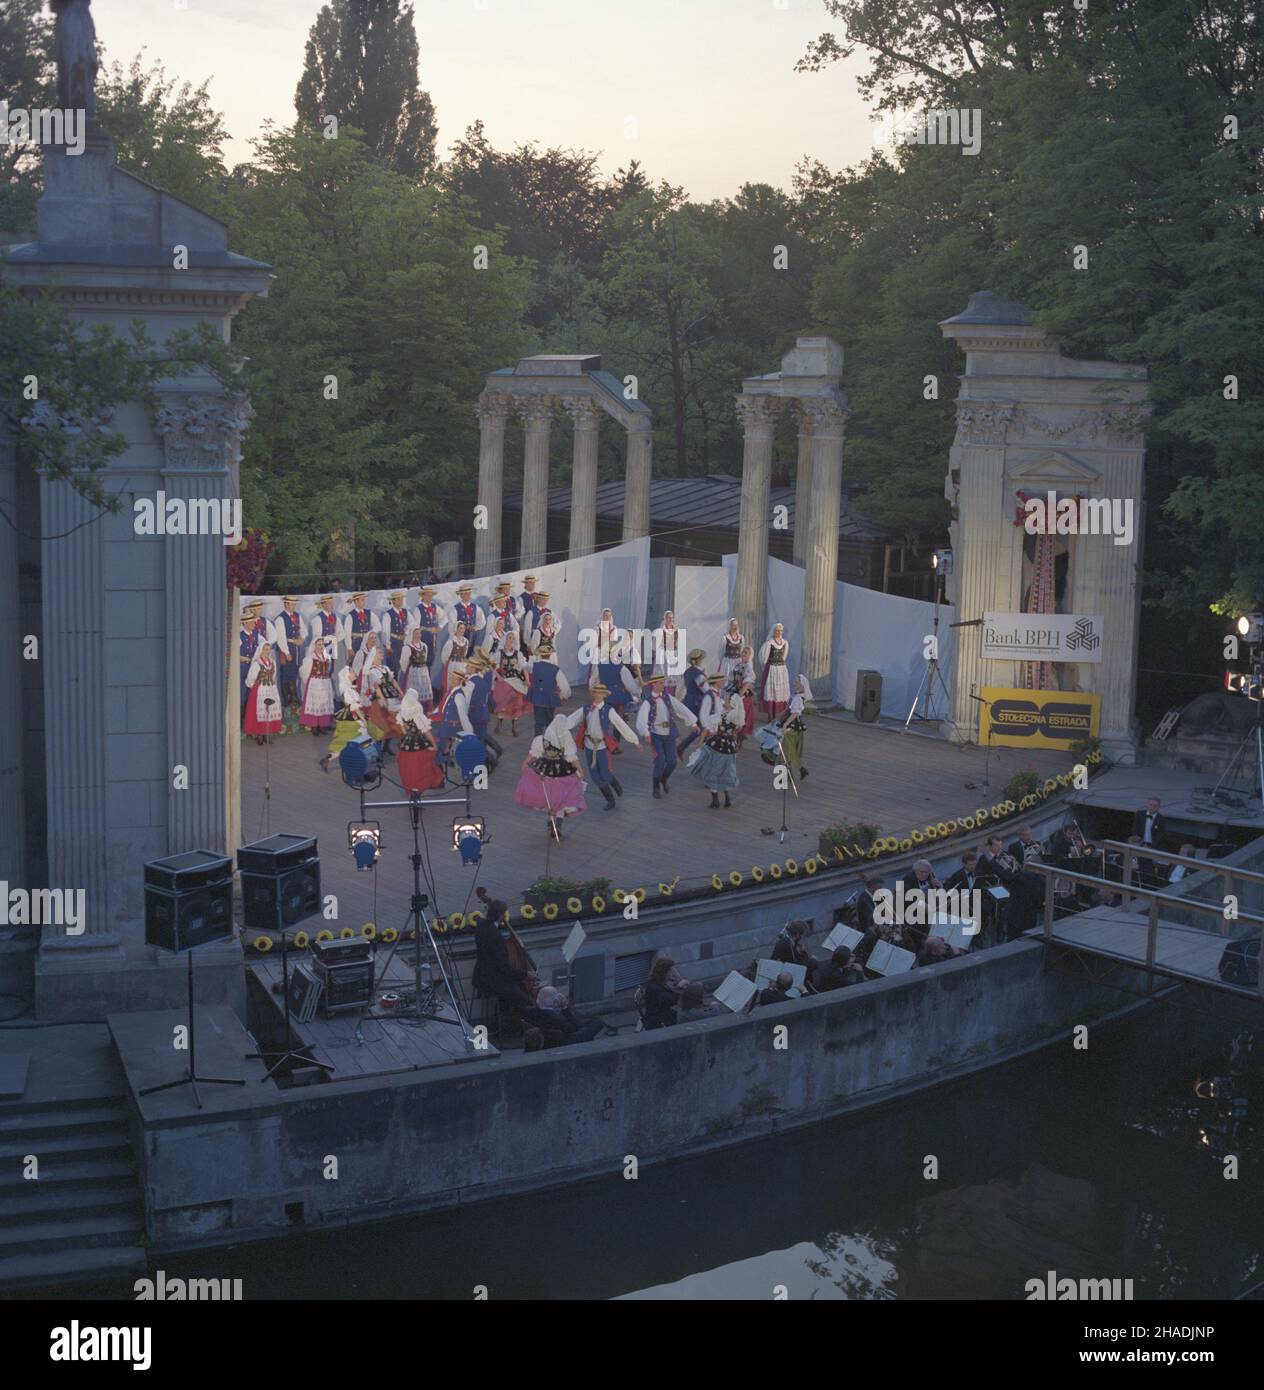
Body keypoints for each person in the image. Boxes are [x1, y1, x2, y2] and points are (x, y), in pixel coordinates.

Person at [566, 683, 641, 811]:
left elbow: (620, 724)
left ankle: (614, 782)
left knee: (605, 774)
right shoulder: (586, 709)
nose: (598, 695)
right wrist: (558, 729)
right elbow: (570, 720)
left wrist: (634, 740)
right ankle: (610, 800)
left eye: (601, 693)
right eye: (596, 692)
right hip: (590, 746)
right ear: (593, 694)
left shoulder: (608, 710)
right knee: (595, 777)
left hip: (602, 746)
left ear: (604, 695)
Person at [516, 713, 588, 837]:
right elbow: (571, 757)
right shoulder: (566, 737)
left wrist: (525, 763)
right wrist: (580, 769)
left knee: (550, 798)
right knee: (562, 799)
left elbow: (534, 754)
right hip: (564, 771)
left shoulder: (542, 738)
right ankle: (557, 825)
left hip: (546, 771)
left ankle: (551, 822)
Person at [635, 672, 697, 798]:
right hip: (656, 735)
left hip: (669, 735)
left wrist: (693, 722)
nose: (664, 685)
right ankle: (655, 787)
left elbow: (681, 709)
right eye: (661, 683)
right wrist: (645, 733)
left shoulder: (668, 698)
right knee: (660, 761)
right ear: (653, 685)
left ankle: (664, 779)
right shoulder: (648, 701)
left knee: (672, 762)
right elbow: (641, 719)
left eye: (663, 683)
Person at [686, 674, 742, 809]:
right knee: (725, 770)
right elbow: (705, 717)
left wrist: (706, 737)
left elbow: (712, 721)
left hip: (718, 744)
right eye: (722, 680)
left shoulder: (722, 712)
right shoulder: (712, 699)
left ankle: (717, 799)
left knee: (713, 770)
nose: (724, 682)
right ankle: (726, 798)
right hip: (727, 745)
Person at [471, 899, 536, 1012]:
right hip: (493, 979)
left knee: (508, 997)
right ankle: (512, 1025)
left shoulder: (481, 925)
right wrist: (525, 974)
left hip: (480, 976)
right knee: (526, 1002)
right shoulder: (496, 936)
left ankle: (504, 1020)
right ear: (501, 915)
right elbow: (504, 966)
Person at [464, 648, 503, 770]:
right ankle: (493, 754)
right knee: (481, 736)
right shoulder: (482, 676)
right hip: (482, 712)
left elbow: (475, 698)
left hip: (477, 713)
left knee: (477, 740)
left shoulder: (478, 678)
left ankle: (488, 761)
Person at [527, 986, 603, 1046]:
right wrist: (565, 1008)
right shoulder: (555, 1017)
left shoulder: (535, 1011)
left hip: (552, 1036)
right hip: (565, 1040)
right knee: (597, 1023)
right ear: (554, 1001)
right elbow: (575, 1027)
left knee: (590, 1021)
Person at [528, 638, 572, 735]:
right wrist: (564, 695)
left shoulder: (534, 666)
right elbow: (565, 687)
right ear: (550, 654)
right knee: (549, 721)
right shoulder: (555, 669)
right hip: (549, 698)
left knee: (538, 722)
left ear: (540, 653)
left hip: (538, 698)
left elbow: (525, 666)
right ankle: (549, 741)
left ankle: (537, 742)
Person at [270, 596, 306, 708]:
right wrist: (286, 652)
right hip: (285, 648)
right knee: (286, 674)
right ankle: (286, 700)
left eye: (294, 604)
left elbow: (304, 630)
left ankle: (294, 698)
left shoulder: (297, 616)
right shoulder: (280, 618)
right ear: (285, 604)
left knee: (294, 672)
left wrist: (302, 638)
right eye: (291, 604)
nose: (293, 606)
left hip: (296, 647)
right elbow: (281, 637)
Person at [243, 641, 283, 742]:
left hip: (270, 688)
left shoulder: (272, 662)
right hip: (260, 689)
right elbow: (251, 678)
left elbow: (273, 676)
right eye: (265, 649)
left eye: (269, 649)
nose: (267, 652)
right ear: (261, 650)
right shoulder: (257, 663)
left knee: (269, 711)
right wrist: (253, 685)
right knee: (260, 711)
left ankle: (266, 734)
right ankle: (259, 734)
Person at [774, 674, 812, 779]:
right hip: (792, 724)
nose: (795, 683)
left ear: (802, 685)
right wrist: (780, 717)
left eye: (797, 682)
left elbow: (795, 713)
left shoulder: (799, 698)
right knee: (788, 750)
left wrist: (785, 724)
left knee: (787, 749)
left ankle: (785, 776)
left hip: (792, 726)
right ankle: (796, 771)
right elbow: (789, 710)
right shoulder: (796, 696)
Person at [676, 649, 709, 758]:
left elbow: (680, 687)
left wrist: (679, 699)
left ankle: (688, 746)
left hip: (690, 701)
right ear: (700, 660)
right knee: (703, 726)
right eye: (703, 659)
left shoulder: (688, 672)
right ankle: (687, 746)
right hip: (699, 702)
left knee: (703, 726)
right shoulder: (699, 675)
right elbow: (706, 690)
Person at [299, 637, 336, 733]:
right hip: (314, 683)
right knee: (315, 704)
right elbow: (303, 671)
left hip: (325, 683)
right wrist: (308, 680)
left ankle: (322, 726)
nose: (321, 646)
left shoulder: (327, 657)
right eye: (319, 644)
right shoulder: (310, 658)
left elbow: (328, 669)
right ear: (314, 646)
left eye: (322, 644)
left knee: (323, 704)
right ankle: (314, 726)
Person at [758, 623, 791, 719]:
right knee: (771, 691)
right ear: (773, 631)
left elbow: (784, 656)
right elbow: (762, 657)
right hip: (771, 669)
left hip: (781, 669)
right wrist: (765, 667)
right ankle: (770, 714)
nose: (779, 632)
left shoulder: (785, 643)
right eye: (777, 630)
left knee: (779, 692)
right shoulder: (769, 643)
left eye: (781, 630)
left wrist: (780, 666)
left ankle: (778, 713)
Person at [400, 622, 435, 712]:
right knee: (414, 691)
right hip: (413, 672)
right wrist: (408, 672)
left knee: (424, 689)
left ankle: (425, 710)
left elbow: (425, 658)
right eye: (416, 634)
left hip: (423, 672)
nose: (418, 635)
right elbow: (403, 662)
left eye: (419, 633)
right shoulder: (407, 648)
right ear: (411, 634)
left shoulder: (424, 646)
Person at [341, 591, 379, 666]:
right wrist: (349, 648)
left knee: (368, 664)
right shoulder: (350, 616)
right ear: (356, 601)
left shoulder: (369, 613)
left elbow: (378, 625)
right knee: (355, 665)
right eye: (362, 600)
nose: (364, 602)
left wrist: (370, 634)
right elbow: (347, 633)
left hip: (368, 643)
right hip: (356, 644)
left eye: (364, 600)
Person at [641, 957, 679, 1031]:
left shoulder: (655, 983)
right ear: (664, 973)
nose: (672, 973)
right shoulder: (655, 989)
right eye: (670, 971)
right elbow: (672, 1001)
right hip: (658, 1021)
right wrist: (679, 989)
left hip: (658, 1014)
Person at [651, 611, 683, 695]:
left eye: (672, 618)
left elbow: (678, 644)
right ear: (665, 619)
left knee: (673, 678)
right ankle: (662, 694)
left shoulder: (676, 630)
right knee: (663, 676)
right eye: (669, 617)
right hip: (663, 656)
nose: (670, 619)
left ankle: (672, 695)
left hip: (673, 655)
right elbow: (654, 646)